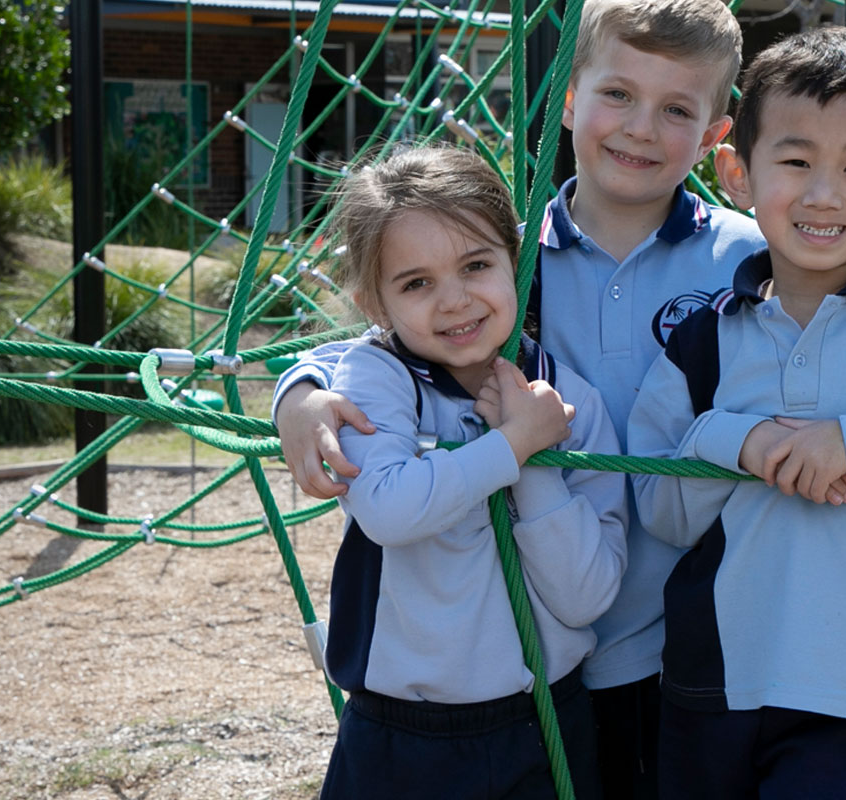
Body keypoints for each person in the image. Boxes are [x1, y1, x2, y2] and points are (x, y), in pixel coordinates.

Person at [271, 3, 758, 795]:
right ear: (567, 100)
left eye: (675, 109)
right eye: (617, 95)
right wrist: (299, 390)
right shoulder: (509, 257)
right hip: (541, 655)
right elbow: (385, 340)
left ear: (713, 135)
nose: (639, 127)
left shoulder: (748, 257)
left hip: (695, 639)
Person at [625, 26, 846, 798]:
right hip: (715, 672)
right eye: (795, 160)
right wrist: (733, 441)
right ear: (737, 174)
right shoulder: (703, 337)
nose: (823, 192)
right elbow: (660, 507)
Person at [306, 146, 627, 800]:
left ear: (517, 259)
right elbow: (389, 511)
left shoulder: (571, 402)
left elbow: (587, 596)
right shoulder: (378, 377)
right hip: (402, 729)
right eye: (416, 282)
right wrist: (510, 446)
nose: (454, 301)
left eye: (476, 265)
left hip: (545, 720)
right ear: (374, 301)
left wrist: (534, 463)